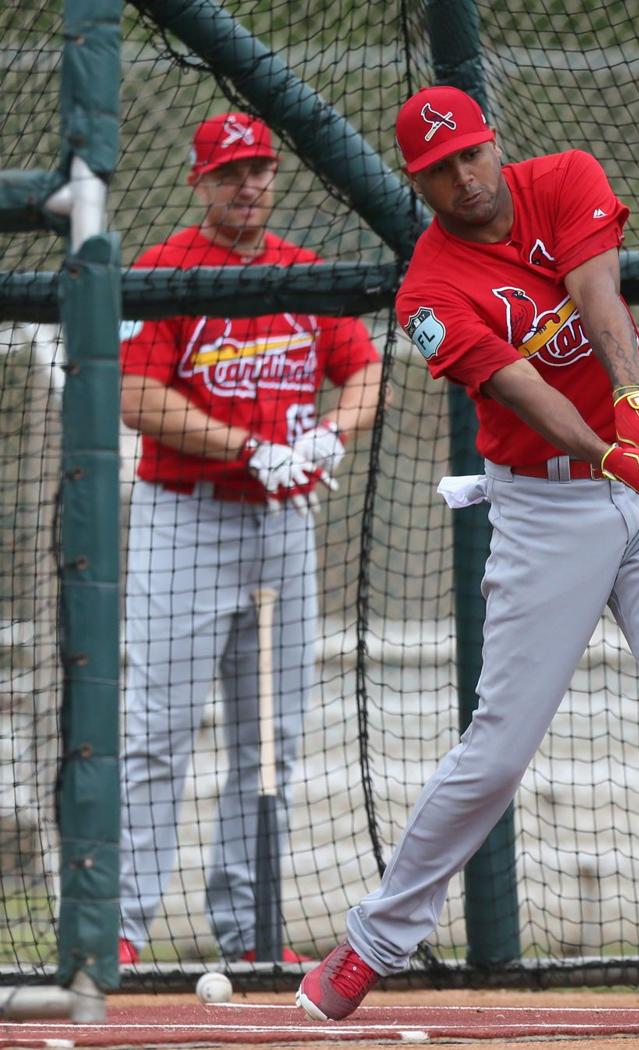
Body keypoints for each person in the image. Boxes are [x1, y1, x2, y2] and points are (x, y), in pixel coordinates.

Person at [296, 85, 639, 1023]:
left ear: (493, 142)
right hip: (548, 508)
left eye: (470, 154)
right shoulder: (426, 293)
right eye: (438, 170)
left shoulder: (566, 179)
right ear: (417, 183)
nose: (463, 178)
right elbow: (513, 384)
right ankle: (376, 938)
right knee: (499, 750)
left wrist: (634, 406)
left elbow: (598, 296)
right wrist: (605, 450)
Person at [117, 112, 383, 964]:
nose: (248, 186)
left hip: (282, 529)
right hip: (185, 518)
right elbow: (136, 398)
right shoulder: (163, 270)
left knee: (270, 743)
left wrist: (331, 433)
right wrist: (247, 446)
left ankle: (252, 933)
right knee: (158, 731)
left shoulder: (302, 272)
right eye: (230, 173)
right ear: (200, 182)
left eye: (259, 170)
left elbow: (367, 368)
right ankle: (117, 928)